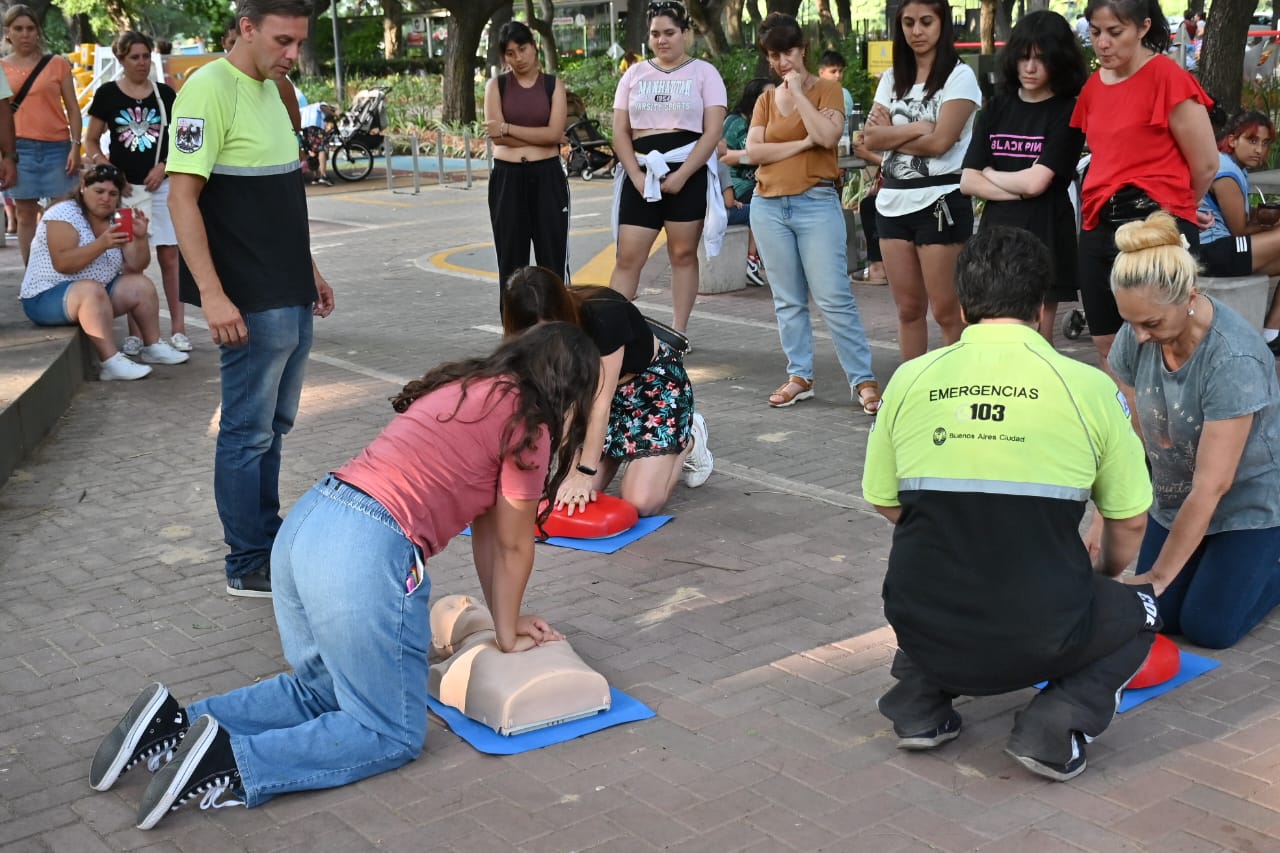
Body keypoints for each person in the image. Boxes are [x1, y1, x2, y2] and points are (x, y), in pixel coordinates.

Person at [87, 323, 598, 830]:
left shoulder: (466, 388)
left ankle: (172, 723)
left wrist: (504, 625)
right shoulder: (528, 427)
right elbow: (512, 545)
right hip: (365, 549)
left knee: (323, 691)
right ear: (568, 388)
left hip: (309, 524)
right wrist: (508, 635)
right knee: (390, 732)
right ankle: (229, 760)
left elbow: (490, 537)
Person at [863, 225, 1157, 783]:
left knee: (942, 588)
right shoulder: (1089, 388)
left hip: (919, 617)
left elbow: (883, 500)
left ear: (963, 301)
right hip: (1039, 630)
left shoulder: (907, 378)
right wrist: (1098, 574)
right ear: (1044, 304)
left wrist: (964, 535)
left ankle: (918, 707)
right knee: (1140, 612)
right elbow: (1131, 520)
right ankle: (1053, 726)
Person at [168, 0, 336, 599]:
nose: (293, 56)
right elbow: (181, 199)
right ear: (246, 28)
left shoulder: (276, 90)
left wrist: (309, 268)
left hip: (287, 285)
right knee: (246, 430)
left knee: (275, 425)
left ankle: (265, 536)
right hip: (248, 295)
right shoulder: (205, 90)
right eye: (282, 41)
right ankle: (246, 561)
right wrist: (212, 296)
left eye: (298, 43)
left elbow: (282, 193)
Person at [1109, 213, 1280, 650]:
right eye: (1131, 322)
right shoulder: (1138, 331)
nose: (1140, 336)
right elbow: (1130, 436)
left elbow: (1212, 485)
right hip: (1174, 496)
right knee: (1160, 618)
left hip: (1248, 502)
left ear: (1189, 296)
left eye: (1152, 324)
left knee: (1209, 628)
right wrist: (1108, 521)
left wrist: (1159, 576)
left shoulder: (1233, 359)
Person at [1070, 0, 1217, 371]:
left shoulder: (1168, 77)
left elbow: (1206, 163)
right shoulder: (1093, 86)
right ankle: (1121, 426)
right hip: (1098, 219)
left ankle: (1167, 427)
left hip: (1155, 220)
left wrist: (1180, 208)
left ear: (1143, 27)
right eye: (1096, 32)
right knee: (1105, 339)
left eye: (1114, 32)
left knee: (1165, 336)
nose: (1103, 43)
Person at [747, 12, 880, 414]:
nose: (781, 61)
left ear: (802, 49)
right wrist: (801, 143)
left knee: (834, 297)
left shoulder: (827, 90)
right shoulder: (765, 99)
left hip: (816, 200)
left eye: (787, 51)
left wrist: (800, 96)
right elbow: (754, 152)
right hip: (768, 203)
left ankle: (863, 380)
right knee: (787, 299)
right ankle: (799, 375)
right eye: (773, 55)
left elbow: (827, 135)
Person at [501, 266, 714, 513]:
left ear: (562, 309)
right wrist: (568, 472)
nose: (546, 337)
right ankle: (624, 452)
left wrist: (585, 472)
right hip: (604, 404)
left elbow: (599, 403)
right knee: (577, 494)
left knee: (640, 503)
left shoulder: (604, 314)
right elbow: (563, 405)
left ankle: (689, 440)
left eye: (550, 326)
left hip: (652, 394)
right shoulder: (527, 339)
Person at [863, 0, 982, 362]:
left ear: (942, 24)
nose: (917, 31)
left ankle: (956, 388)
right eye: (909, 23)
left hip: (940, 201)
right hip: (892, 201)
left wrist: (891, 133)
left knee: (948, 312)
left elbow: (942, 142)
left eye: (926, 22)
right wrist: (917, 127)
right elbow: (869, 139)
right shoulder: (890, 79)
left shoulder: (959, 77)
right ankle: (912, 390)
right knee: (908, 309)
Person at [961, 10, 1087, 343]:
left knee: (1036, 341)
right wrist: (1017, 188)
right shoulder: (996, 108)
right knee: (989, 333)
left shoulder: (1067, 112)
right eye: (1023, 57)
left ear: (1058, 62)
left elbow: (1037, 183)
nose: (1030, 68)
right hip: (996, 237)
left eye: (1041, 60)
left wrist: (991, 173)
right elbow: (968, 182)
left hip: (1046, 233)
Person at [610, 0, 727, 336]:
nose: (662, 40)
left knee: (682, 253)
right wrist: (634, 173)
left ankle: (678, 332)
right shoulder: (633, 74)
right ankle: (614, 333)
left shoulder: (705, 73)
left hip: (686, 173)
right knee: (628, 257)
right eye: (655, 34)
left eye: (670, 33)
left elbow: (712, 131)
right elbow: (620, 131)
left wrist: (683, 174)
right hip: (641, 173)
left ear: (685, 33)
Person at [19, 164, 189, 380]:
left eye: (112, 194)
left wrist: (139, 237)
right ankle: (109, 361)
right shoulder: (63, 213)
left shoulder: (117, 218)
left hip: (93, 295)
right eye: (99, 191)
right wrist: (102, 243)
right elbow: (63, 263)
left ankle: (152, 346)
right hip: (44, 298)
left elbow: (137, 265)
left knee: (140, 285)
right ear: (83, 188)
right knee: (91, 291)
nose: (105, 199)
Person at [86, 31, 189, 355]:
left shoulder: (164, 94)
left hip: (162, 185)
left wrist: (165, 165)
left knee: (170, 256)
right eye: (135, 57)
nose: (142, 63)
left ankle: (178, 328)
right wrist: (112, 172)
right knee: (132, 261)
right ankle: (134, 332)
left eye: (146, 56)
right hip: (127, 190)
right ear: (121, 59)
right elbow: (91, 141)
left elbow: (182, 138)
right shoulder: (107, 94)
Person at [483, 21, 570, 303]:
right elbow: (497, 138)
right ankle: (513, 334)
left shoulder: (553, 85)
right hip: (507, 178)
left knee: (552, 259)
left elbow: (555, 133)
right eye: (510, 53)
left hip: (547, 176)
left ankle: (556, 331)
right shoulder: (496, 86)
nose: (518, 58)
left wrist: (509, 128)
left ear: (534, 47)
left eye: (522, 49)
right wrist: (540, 137)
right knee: (510, 261)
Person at [1, 4, 82, 264]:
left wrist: (75, 146)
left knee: (62, 212)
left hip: (57, 147)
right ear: (8, 33)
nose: (25, 34)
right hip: (19, 149)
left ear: (38, 31)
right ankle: (32, 276)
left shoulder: (57, 64)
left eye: (30, 28)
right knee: (25, 215)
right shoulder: (1, 68)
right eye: (18, 29)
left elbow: (73, 108)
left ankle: (61, 269)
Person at [1198, 111, 1280, 352]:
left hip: (1217, 249)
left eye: (1265, 143)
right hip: (1213, 252)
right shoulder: (1226, 171)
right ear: (1233, 140)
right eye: (1252, 140)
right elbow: (1240, 231)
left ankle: (1273, 333)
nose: (1259, 150)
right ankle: (1272, 332)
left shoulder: (1232, 165)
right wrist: (1269, 225)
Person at [720, 78, 771, 285]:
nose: (773, 99)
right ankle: (752, 260)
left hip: (761, 181)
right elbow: (750, 155)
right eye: (767, 95)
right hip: (737, 184)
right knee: (762, 203)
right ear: (754, 98)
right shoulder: (735, 122)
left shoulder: (765, 120)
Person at [297, 99, 334, 185]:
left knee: (313, 151)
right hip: (315, 127)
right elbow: (325, 110)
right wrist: (334, 114)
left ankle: (316, 176)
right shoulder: (321, 104)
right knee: (322, 148)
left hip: (305, 129)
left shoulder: (307, 108)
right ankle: (323, 176)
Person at [817, 50, 854, 134]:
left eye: (840, 71)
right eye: (833, 71)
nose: (838, 75)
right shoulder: (814, 94)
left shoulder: (846, 94)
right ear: (821, 72)